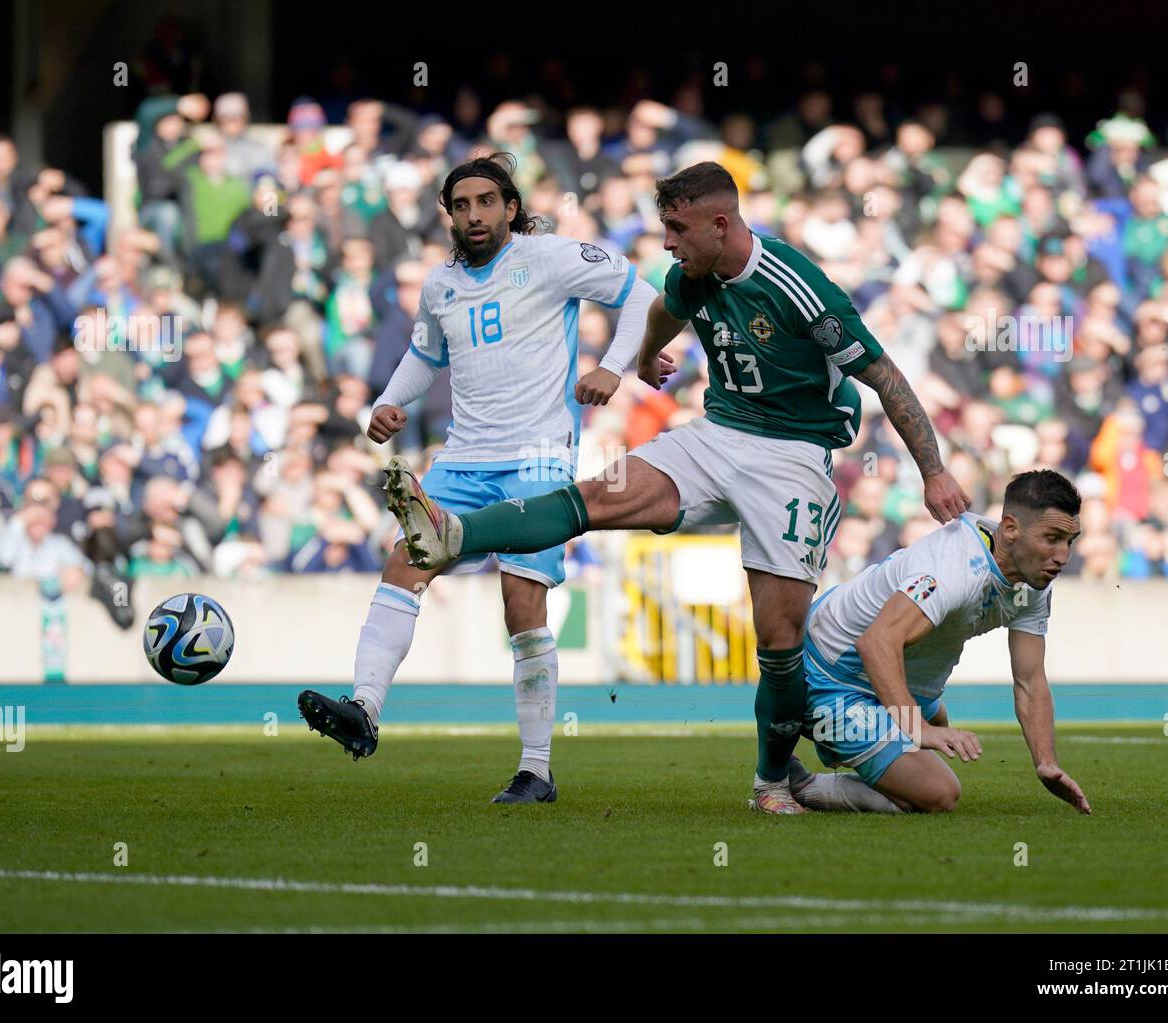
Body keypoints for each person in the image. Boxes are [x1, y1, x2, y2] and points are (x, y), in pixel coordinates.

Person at [384, 161, 970, 814]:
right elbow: (665, 308)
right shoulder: (693, 273)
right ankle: (456, 532)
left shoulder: (798, 286)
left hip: (793, 457)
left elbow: (886, 377)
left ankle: (773, 781)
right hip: (717, 432)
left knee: (779, 638)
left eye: (677, 228)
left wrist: (934, 471)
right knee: (599, 493)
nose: (667, 242)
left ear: (719, 224)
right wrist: (643, 356)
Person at [298, 153, 658, 803]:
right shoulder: (440, 284)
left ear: (511, 208)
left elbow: (639, 294)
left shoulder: (549, 257)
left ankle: (536, 769)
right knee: (404, 561)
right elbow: (424, 353)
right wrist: (389, 400)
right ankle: (364, 709)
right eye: (461, 205)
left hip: (538, 457)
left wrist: (613, 365)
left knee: (521, 599)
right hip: (463, 457)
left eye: (487, 202)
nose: (474, 215)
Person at [795, 469, 1090, 815]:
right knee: (940, 793)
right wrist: (916, 728)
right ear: (1010, 528)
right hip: (829, 672)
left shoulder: (1033, 583)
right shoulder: (955, 568)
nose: (1063, 556)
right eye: (1052, 538)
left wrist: (1046, 762)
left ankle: (867, 753)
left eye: (1070, 541)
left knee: (938, 725)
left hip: (889, 674)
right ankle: (801, 783)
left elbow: (1030, 680)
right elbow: (876, 642)